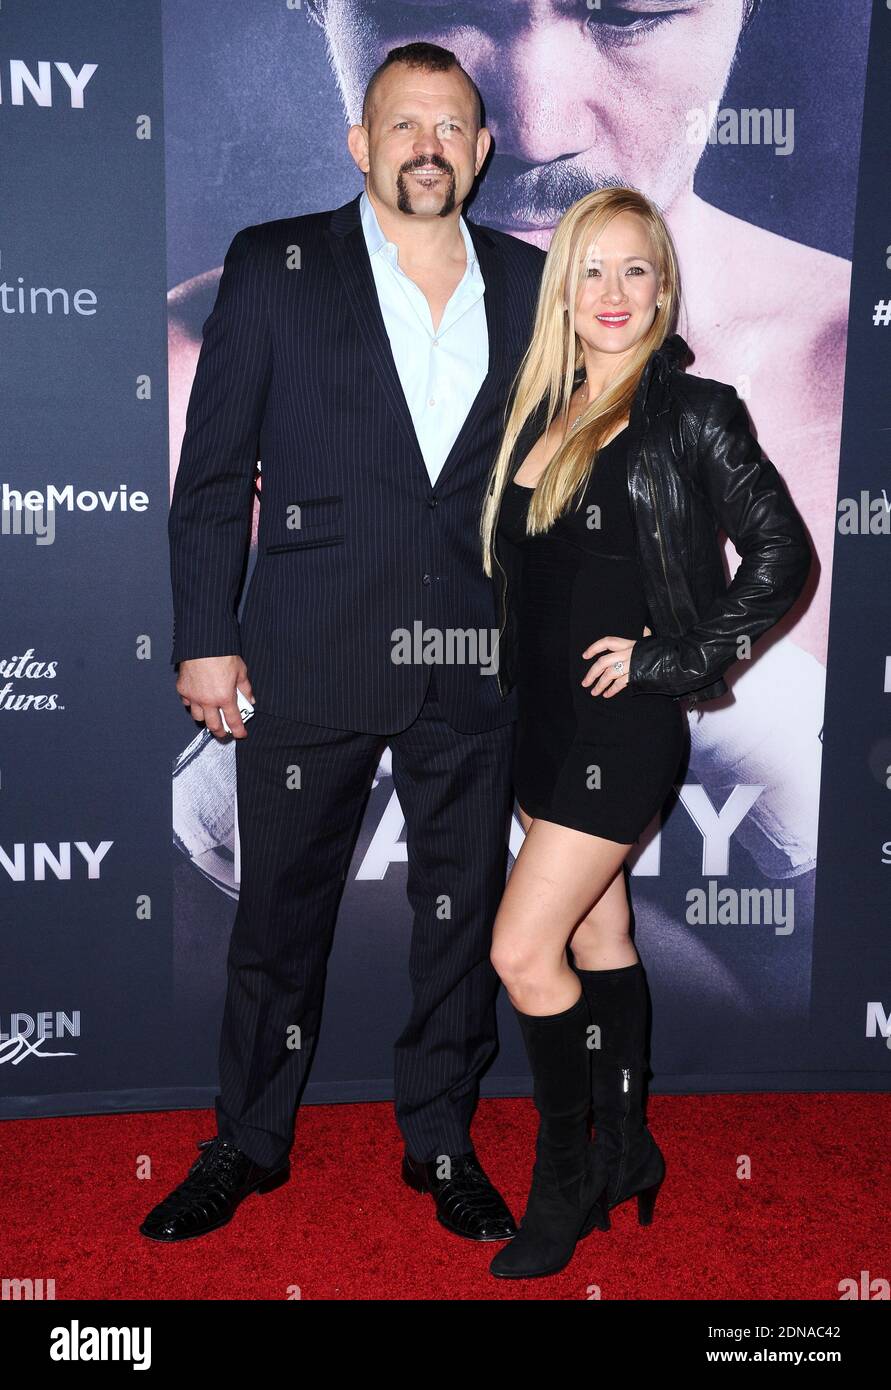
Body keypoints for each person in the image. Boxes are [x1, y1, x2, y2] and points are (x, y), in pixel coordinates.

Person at [141, 42, 546, 1244]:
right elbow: (213, 476)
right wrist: (205, 637)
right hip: (306, 647)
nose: (427, 145)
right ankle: (246, 1142)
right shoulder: (276, 265)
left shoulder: (532, 281)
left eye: (451, 127)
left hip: (473, 654)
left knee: (459, 918)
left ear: (480, 151)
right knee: (279, 921)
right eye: (402, 124)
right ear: (361, 144)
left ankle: (439, 1139)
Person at [479, 187, 812, 1279]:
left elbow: (783, 556)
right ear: (563, 291)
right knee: (597, 942)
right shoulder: (544, 411)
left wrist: (670, 659)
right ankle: (628, 1146)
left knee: (522, 952)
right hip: (541, 727)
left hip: (622, 732)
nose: (614, 294)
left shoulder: (696, 412)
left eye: (637, 271)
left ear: (664, 288)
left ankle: (566, 1176)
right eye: (592, 271)